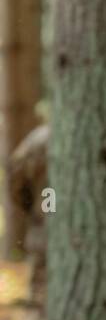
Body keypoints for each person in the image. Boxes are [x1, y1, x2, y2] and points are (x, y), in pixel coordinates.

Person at [7, 122, 49, 308]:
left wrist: (31, 207)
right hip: (53, 221)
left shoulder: (40, 137)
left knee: (42, 287)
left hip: (44, 221)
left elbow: (15, 179)